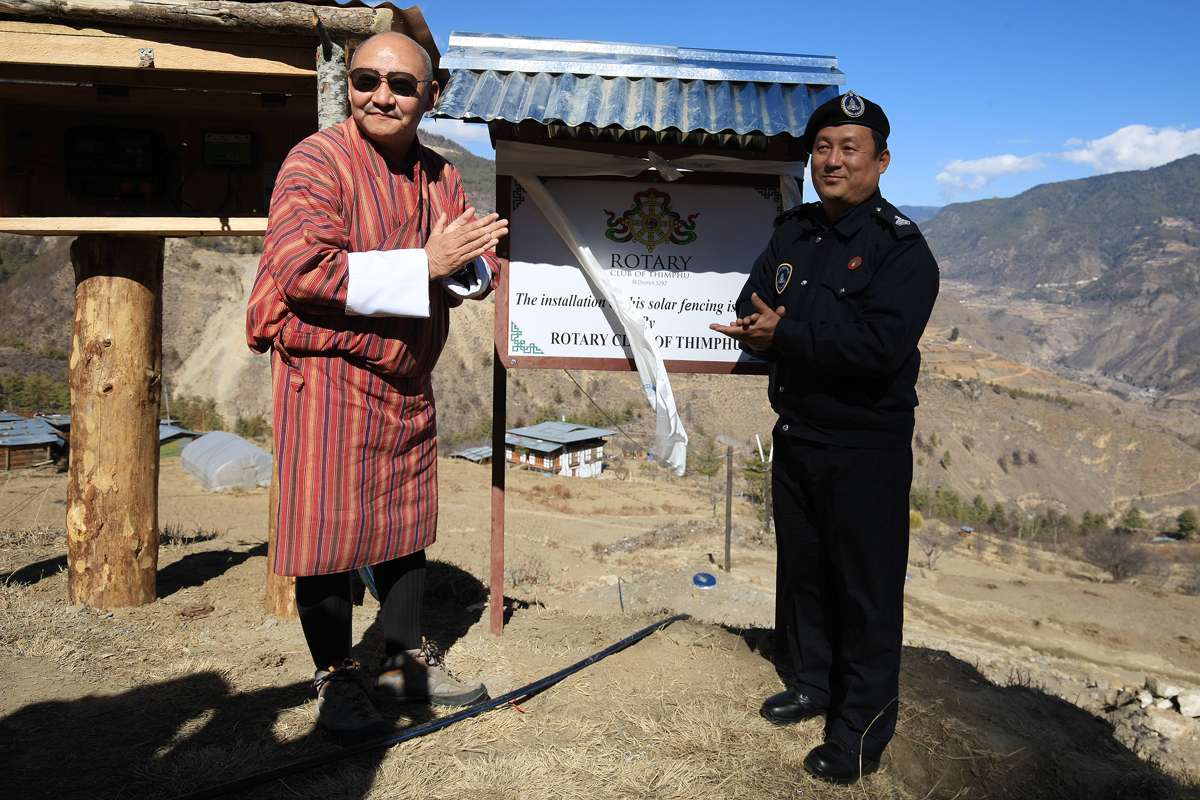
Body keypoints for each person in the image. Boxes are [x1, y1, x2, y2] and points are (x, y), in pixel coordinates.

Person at [246, 31, 508, 742]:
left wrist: (465, 267)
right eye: (366, 80)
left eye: (400, 84)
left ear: (433, 95)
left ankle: (403, 665)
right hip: (329, 374)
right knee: (326, 531)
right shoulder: (317, 161)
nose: (380, 95)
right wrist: (425, 261)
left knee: (401, 525)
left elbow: (458, 268)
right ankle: (337, 677)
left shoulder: (441, 174)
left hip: (403, 376)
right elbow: (303, 270)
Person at [710, 91, 938, 783]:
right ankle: (811, 682)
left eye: (849, 148)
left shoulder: (901, 250)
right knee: (802, 572)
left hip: (865, 447)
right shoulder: (795, 233)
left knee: (865, 593)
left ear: (882, 161)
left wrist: (790, 336)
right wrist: (763, 329)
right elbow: (753, 298)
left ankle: (859, 733)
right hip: (800, 433)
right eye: (823, 148)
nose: (832, 160)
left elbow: (879, 347)